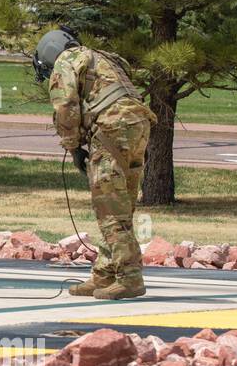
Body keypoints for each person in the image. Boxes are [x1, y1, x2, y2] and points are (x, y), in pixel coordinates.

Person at [34, 28, 157, 300]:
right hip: (138, 126)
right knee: (120, 205)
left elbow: (65, 104)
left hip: (111, 130)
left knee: (110, 209)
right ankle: (104, 274)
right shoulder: (100, 58)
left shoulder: (66, 61)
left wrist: (73, 145)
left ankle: (129, 277)